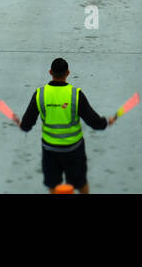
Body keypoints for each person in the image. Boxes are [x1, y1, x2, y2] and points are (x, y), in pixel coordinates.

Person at [16, 58, 115, 194]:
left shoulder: (40, 95)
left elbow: (26, 125)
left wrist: (21, 124)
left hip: (50, 149)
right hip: (73, 149)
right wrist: (106, 122)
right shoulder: (75, 95)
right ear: (68, 73)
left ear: (50, 72)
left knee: (53, 184)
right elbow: (95, 122)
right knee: (80, 183)